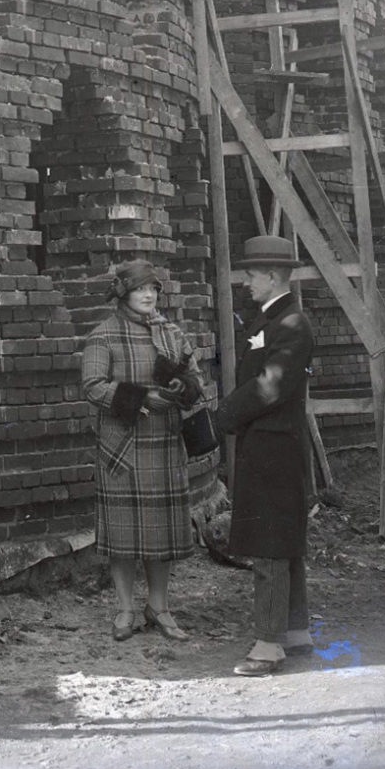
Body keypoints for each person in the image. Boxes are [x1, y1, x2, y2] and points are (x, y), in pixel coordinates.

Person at [81, 259, 204, 640]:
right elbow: (92, 386)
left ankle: (159, 607)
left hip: (165, 443)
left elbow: (196, 377)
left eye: (153, 289)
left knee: (160, 533)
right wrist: (140, 398)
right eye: (140, 289)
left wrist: (183, 389)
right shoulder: (104, 335)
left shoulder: (172, 333)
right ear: (123, 294)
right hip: (121, 447)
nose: (149, 295)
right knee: (124, 535)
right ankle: (124, 610)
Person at [213, 234, 315, 676]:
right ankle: (295, 630)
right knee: (282, 537)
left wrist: (224, 416)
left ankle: (268, 645)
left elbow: (270, 386)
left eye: (251, 275)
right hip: (268, 442)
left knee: (271, 541)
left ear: (273, 276)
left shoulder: (291, 323)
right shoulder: (272, 319)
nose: (246, 283)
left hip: (275, 445)